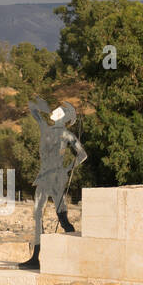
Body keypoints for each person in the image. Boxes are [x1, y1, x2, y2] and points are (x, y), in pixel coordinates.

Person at [19, 98, 87, 270]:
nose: (55, 112)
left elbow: (82, 155)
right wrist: (39, 106)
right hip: (44, 177)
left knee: (61, 216)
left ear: (64, 118)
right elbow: (34, 112)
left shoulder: (66, 134)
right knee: (37, 215)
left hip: (56, 177)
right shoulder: (46, 128)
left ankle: (76, 254)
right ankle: (36, 257)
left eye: (59, 111)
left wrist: (67, 169)